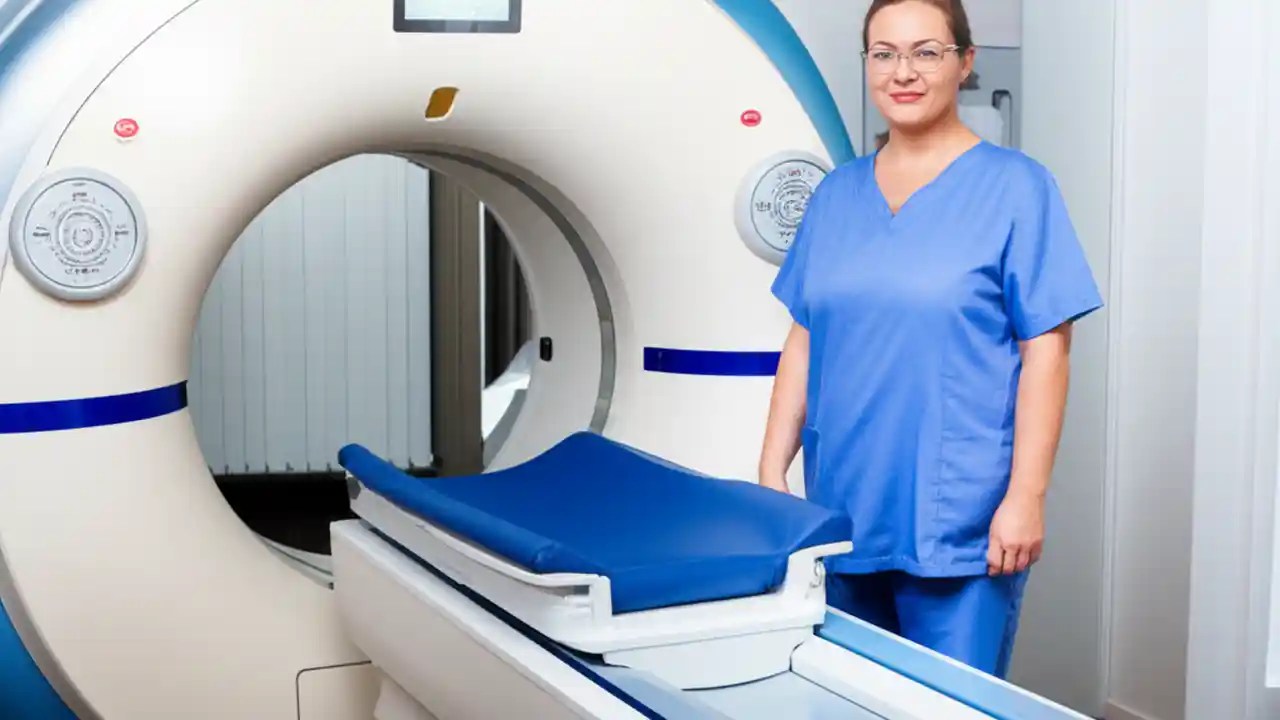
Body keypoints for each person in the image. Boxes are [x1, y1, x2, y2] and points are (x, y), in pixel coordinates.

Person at [757, 0, 1102, 680]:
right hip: (842, 509)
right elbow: (804, 338)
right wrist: (772, 471)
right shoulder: (836, 196)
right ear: (867, 67)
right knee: (850, 697)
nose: (902, 72)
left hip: (962, 521)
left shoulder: (1017, 188)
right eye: (883, 54)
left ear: (964, 63)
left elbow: (1047, 354)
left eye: (925, 52)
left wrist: (1025, 496)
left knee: (948, 705)